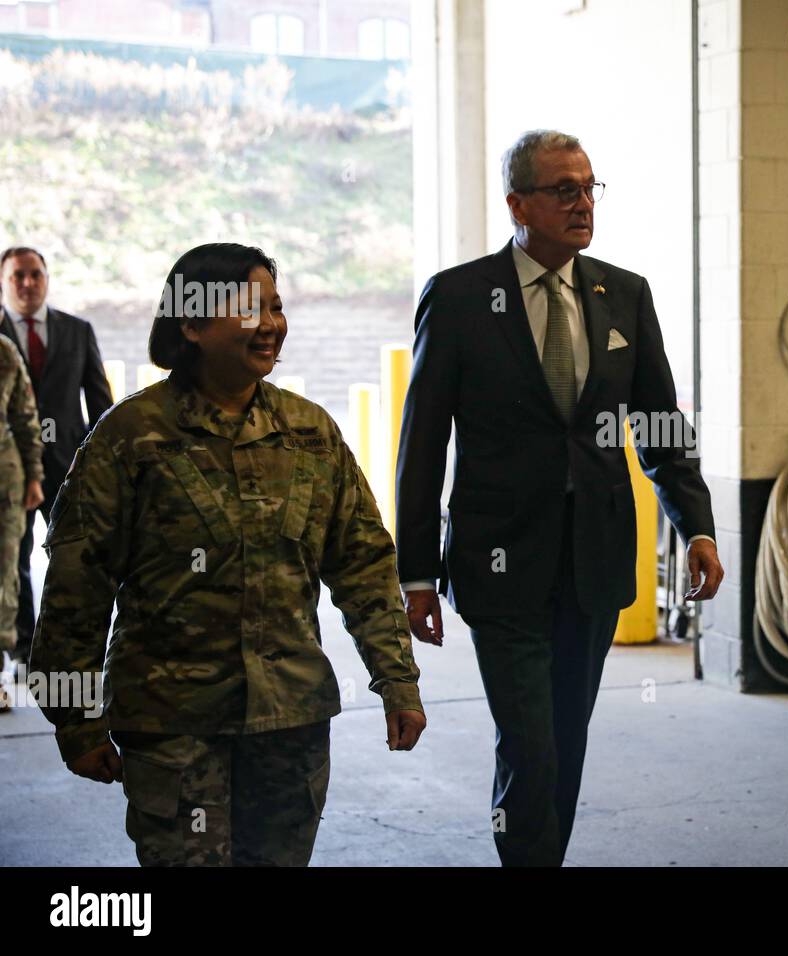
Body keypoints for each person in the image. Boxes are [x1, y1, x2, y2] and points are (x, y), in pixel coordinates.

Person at [30, 243, 426, 866]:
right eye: (250, 309)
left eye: (277, 306)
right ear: (191, 324)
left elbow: (363, 565)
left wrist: (397, 681)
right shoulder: (129, 438)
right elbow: (76, 591)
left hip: (289, 726)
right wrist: (75, 721)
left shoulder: (310, 433)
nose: (272, 324)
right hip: (172, 729)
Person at [396, 129, 722, 867]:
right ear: (518, 203)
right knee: (529, 742)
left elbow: (661, 425)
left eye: (589, 188)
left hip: (596, 561)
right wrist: (415, 572)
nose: (582, 203)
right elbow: (422, 443)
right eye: (563, 190)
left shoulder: (624, 294)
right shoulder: (457, 298)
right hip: (499, 560)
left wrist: (695, 525)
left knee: (565, 742)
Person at [0, 246, 114, 666]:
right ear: (3, 281)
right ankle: (26, 651)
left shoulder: (76, 330)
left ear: (46, 277)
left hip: (70, 465)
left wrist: (99, 463)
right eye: (17, 276)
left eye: (35, 274)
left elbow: (101, 405)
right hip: (8, 472)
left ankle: (72, 648)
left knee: (75, 559)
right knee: (12, 561)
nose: (27, 284)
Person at [0, 334, 44, 713]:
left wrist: (33, 475)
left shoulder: (5, 353)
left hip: (5, 480)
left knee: (4, 575)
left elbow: (26, 417)